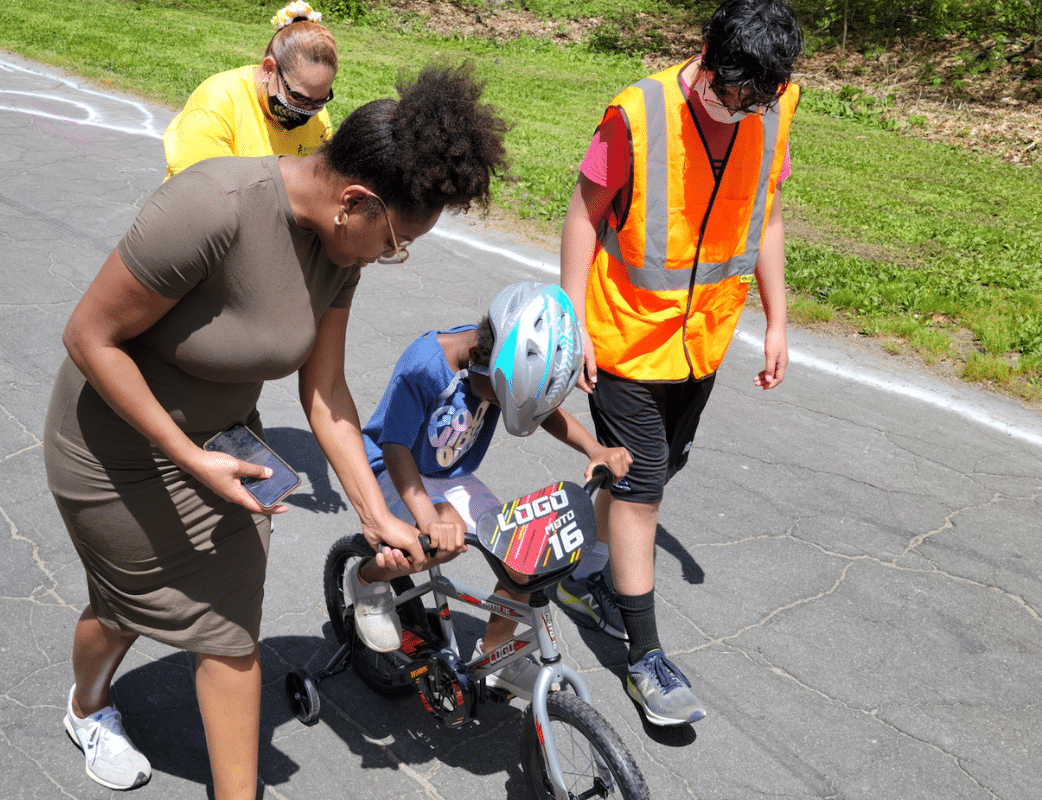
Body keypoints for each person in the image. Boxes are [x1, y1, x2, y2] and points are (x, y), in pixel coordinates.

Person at [45, 61, 508, 799]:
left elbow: (324, 393)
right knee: (123, 608)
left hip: (227, 446)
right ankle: (88, 706)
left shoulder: (339, 251)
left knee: (228, 633)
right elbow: (89, 337)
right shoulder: (212, 205)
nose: (390, 259)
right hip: (117, 447)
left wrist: (376, 511)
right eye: (393, 242)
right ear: (354, 202)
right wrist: (186, 455)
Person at [558, 0, 802, 726]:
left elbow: (769, 212)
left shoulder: (774, 107)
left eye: (754, 97)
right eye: (728, 89)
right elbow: (582, 213)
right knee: (646, 482)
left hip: (703, 341)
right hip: (624, 337)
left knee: (650, 466)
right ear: (705, 51)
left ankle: (583, 571)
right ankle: (645, 659)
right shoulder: (637, 114)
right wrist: (573, 323)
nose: (738, 107)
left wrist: (778, 317)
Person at [346, 281, 632, 697]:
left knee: (522, 555)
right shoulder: (425, 367)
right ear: (478, 358)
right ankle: (368, 581)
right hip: (396, 468)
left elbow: (545, 411)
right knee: (427, 547)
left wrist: (595, 449)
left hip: (451, 475)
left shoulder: (501, 362)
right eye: (501, 397)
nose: (500, 404)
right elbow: (395, 448)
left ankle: (497, 657)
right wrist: (429, 517)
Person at [163, 1, 336, 179]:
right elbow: (208, 191)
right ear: (269, 69)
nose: (308, 110)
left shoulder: (318, 116)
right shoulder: (216, 103)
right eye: (298, 98)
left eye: (321, 101)